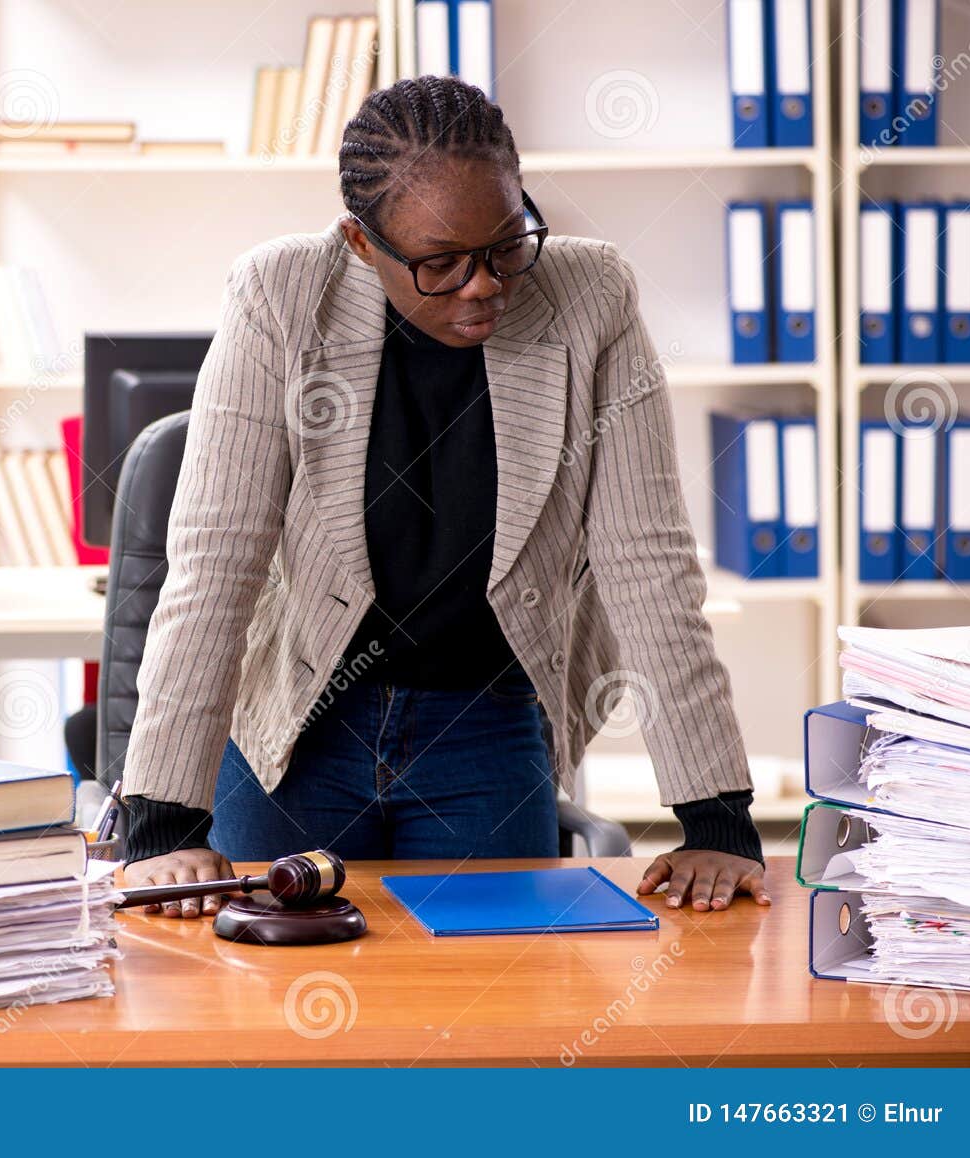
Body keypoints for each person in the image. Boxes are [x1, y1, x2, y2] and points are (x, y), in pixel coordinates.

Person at [115, 75, 770, 919]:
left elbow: (646, 562)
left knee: (490, 1016)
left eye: (506, 244)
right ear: (361, 243)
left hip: (486, 726)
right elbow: (217, 563)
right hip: (296, 730)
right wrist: (164, 822)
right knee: (267, 1012)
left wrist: (715, 815)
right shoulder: (279, 295)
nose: (484, 285)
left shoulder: (592, 297)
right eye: (440, 264)